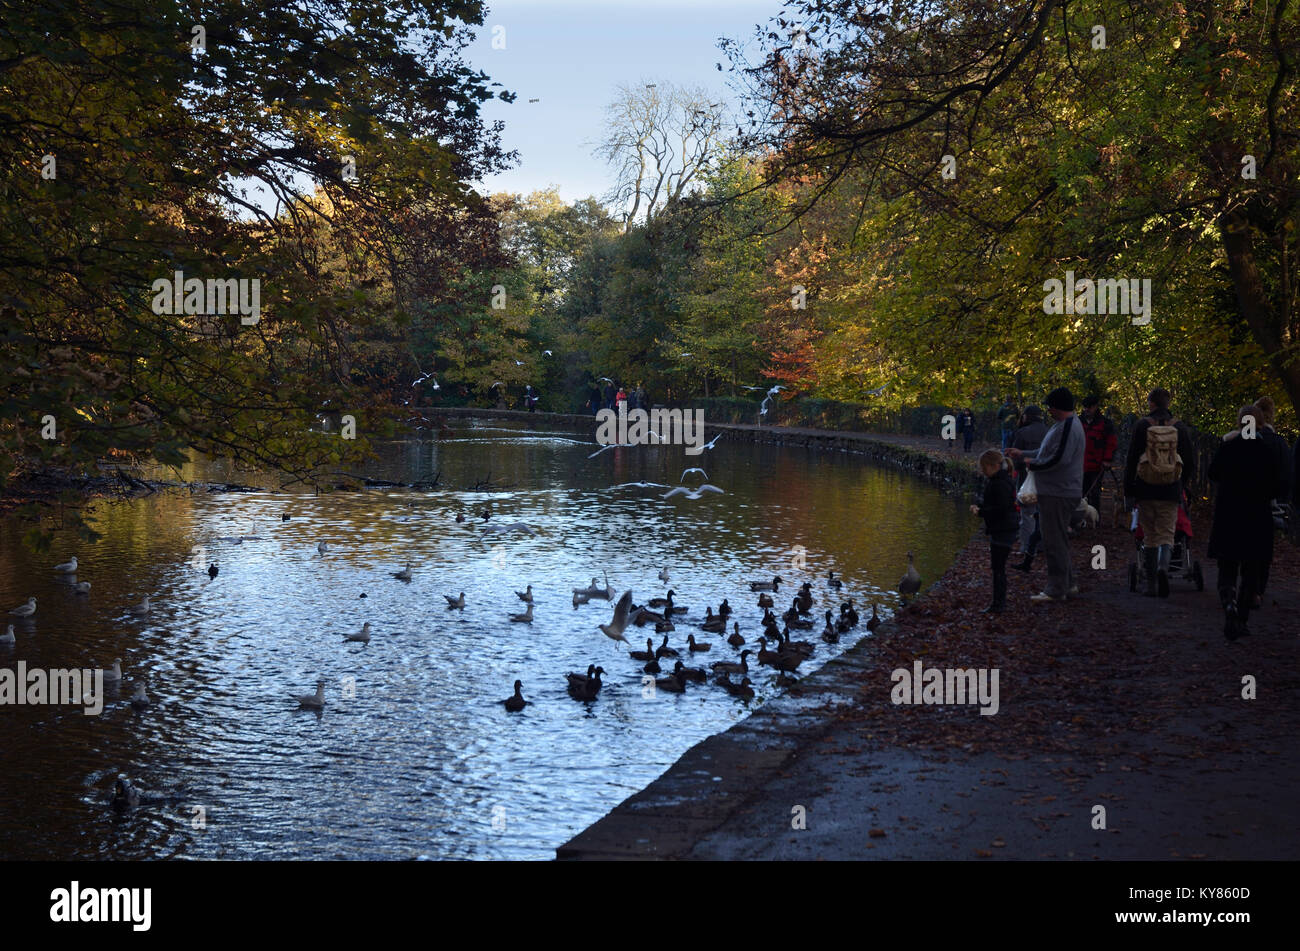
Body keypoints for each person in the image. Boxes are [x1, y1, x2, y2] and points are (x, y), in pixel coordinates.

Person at [1208, 405, 1283, 640]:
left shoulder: (1229, 447)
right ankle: (1241, 617)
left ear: (1240, 422)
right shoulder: (1266, 451)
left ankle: (1229, 603)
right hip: (1256, 517)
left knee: (1227, 566)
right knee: (1252, 569)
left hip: (1229, 515)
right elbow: (1277, 487)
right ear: (1260, 423)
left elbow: (1212, 473)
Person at [1006, 387, 1084, 603]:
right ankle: (1068, 583)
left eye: (1050, 406)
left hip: (1059, 491)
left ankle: (1055, 589)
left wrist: (1032, 465)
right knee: (1058, 539)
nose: (1048, 410)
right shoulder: (1063, 425)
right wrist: (1023, 454)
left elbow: (1059, 459)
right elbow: (1046, 452)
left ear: (1058, 406)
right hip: (1058, 490)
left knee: (1053, 541)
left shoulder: (1068, 426)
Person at [1123, 388, 1196, 598]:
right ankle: (1163, 568)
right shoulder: (1179, 427)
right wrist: (1181, 484)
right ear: (1168, 403)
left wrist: (1129, 490)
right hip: (1171, 489)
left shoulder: (1142, 425)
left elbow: (1131, 459)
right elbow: (1190, 461)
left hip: (1145, 488)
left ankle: (1151, 583)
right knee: (1166, 533)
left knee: (1149, 535)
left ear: (1151, 403)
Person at [1252, 396, 1292, 604]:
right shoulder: (1278, 443)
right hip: (1269, 502)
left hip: (1246, 500)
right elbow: (1287, 475)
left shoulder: (1245, 440)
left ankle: (1249, 586)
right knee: (1264, 545)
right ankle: (1259, 587)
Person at [971, 449, 1021, 613]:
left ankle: (998, 604)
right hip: (1005, 528)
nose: (982, 471)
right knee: (998, 566)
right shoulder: (1002, 480)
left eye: (984, 467)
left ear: (993, 466)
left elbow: (1000, 509)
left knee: (998, 568)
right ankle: (998, 602)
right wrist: (981, 506)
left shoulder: (999, 483)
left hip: (1003, 529)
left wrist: (981, 512)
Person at [1010, 405, 1048, 571]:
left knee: (1026, 512)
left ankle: (1026, 547)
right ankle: (1041, 545)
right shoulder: (1049, 432)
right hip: (1046, 477)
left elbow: (1016, 459)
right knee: (1042, 513)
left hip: (1026, 476)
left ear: (1027, 416)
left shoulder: (1022, 433)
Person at [1079, 395, 1117, 511]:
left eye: (1089, 407)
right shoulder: (1078, 422)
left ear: (1096, 407)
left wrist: (1107, 459)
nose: (1087, 409)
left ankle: (1095, 517)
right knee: (1080, 494)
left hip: (1097, 466)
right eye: (1085, 407)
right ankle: (1080, 517)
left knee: (1095, 494)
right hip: (1079, 465)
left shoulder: (1105, 424)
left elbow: (1111, 443)